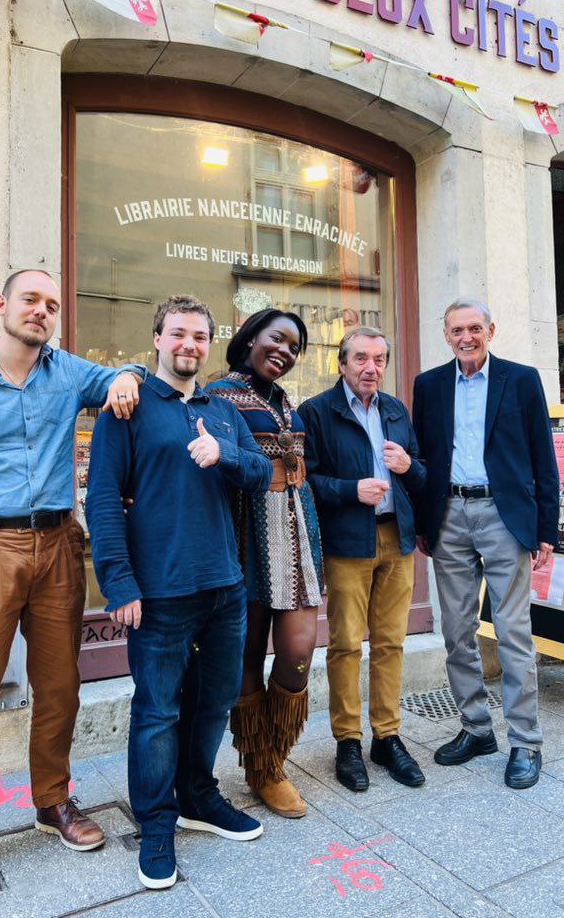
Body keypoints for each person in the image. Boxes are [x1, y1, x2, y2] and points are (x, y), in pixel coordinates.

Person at [0, 269, 146, 907]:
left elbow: (124, 377)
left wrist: (126, 375)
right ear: (2, 306)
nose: (42, 312)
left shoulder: (68, 372)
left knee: (60, 686)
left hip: (58, 546)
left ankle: (52, 800)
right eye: (31, 301)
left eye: (51, 305)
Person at [85, 295, 272, 891]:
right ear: (158, 340)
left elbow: (262, 474)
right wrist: (118, 582)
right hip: (159, 594)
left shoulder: (221, 409)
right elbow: (102, 500)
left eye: (199, 336)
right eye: (178, 334)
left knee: (214, 702)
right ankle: (156, 825)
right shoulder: (129, 408)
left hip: (225, 586)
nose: (189, 344)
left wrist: (225, 457)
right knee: (158, 712)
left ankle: (198, 796)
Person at [412, 298, 559, 790]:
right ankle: (476, 728)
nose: (466, 337)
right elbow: (424, 458)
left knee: (513, 632)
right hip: (449, 514)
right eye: (457, 330)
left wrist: (546, 529)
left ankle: (525, 741)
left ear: (490, 330)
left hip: (504, 514)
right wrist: (422, 523)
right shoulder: (429, 385)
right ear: (446, 335)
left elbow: (543, 456)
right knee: (456, 630)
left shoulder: (520, 379)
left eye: (475, 328)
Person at [298, 328, 427, 793]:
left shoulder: (395, 410)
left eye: (378, 360)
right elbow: (305, 481)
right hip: (348, 543)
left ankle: (387, 736)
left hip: (396, 539)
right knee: (347, 644)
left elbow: (423, 472)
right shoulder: (317, 411)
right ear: (342, 364)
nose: (370, 368)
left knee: (391, 643)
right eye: (360, 359)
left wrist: (408, 467)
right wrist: (350, 490)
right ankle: (348, 741)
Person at [207, 310, 323, 820]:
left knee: (298, 651)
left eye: (295, 346)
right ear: (250, 337)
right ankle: (262, 768)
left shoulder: (283, 400)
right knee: (247, 655)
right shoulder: (218, 393)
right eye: (278, 339)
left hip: (296, 533)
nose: (286, 351)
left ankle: (272, 758)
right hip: (245, 534)